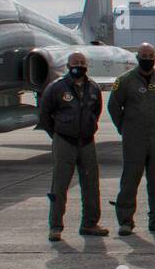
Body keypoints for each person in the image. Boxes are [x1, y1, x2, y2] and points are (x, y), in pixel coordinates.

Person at [107, 42, 155, 235]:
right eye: (143, 56)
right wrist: (124, 128)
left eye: (150, 55)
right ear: (137, 57)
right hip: (133, 138)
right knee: (130, 179)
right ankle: (126, 220)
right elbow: (114, 107)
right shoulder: (125, 81)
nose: (147, 59)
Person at [40, 51, 107, 240]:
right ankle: (55, 227)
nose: (79, 65)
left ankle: (90, 224)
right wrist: (58, 134)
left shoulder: (93, 88)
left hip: (86, 142)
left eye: (82, 62)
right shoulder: (57, 88)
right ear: (68, 66)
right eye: (75, 62)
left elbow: (96, 111)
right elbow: (45, 116)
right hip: (64, 141)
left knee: (91, 184)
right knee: (59, 185)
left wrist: (88, 128)